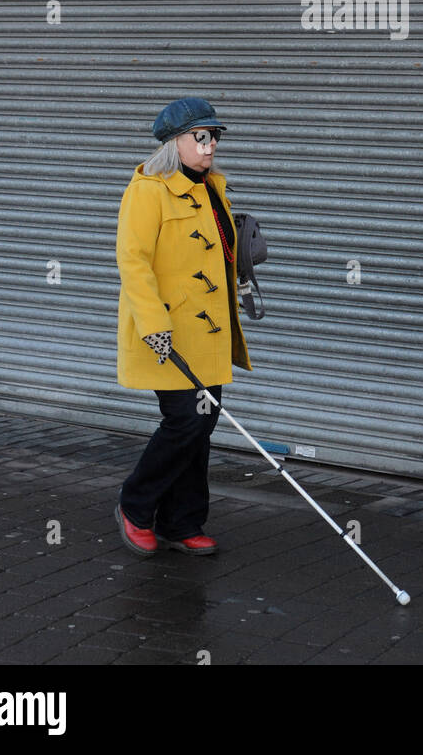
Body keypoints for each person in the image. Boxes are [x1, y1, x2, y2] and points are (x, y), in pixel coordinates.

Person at [114, 96, 252, 558]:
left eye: (214, 136)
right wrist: (153, 324)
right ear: (176, 143)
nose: (211, 145)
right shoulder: (148, 189)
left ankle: (181, 521)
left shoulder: (213, 188)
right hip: (167, 334)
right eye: (201, 136)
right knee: (185, 420)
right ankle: (135, 507)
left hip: (208, 332)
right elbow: (133, 262)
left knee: (202, 423)